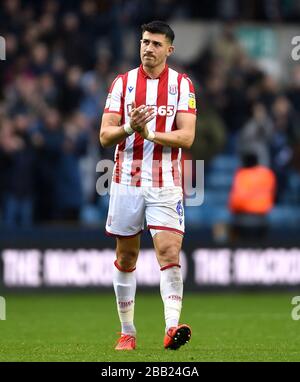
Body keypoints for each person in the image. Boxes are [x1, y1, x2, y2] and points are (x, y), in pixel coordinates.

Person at [99, 20, 196, 350]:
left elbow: (187, 136)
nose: (148, 49)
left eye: (155, 44)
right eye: (144, 42)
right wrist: (130, 127)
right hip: (126, 180)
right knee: (126, 258)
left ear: (169, 49)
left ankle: (171, 328)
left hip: (166, 181)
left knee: (169, 252)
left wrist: (152, 134)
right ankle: (127, 331)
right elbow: (104, 134)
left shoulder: (183, 85)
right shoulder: (122, 83)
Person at [228, 152, 276, 242]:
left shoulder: (242, 174)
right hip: (262, 219)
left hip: (242, 220)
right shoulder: (268, 174)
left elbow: (236, 200)